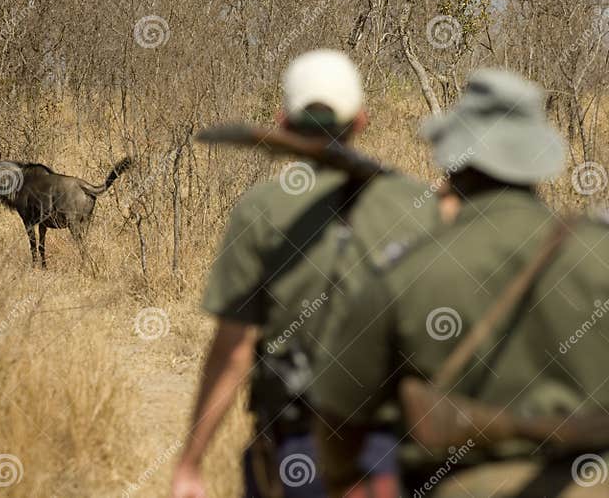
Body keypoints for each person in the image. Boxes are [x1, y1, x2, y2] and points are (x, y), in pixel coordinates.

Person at [309, 68, 609, 497]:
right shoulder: (599, 253)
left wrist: (342, 478)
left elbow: (339, 417)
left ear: (454, 159)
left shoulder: (407, 273)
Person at [170, 49, 443, 498]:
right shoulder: (418, 205)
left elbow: (233, 351)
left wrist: (190, 462)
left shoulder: (260, 209)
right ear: (362, 121)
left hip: (297, 447)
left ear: (283, 121)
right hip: (394, 450)